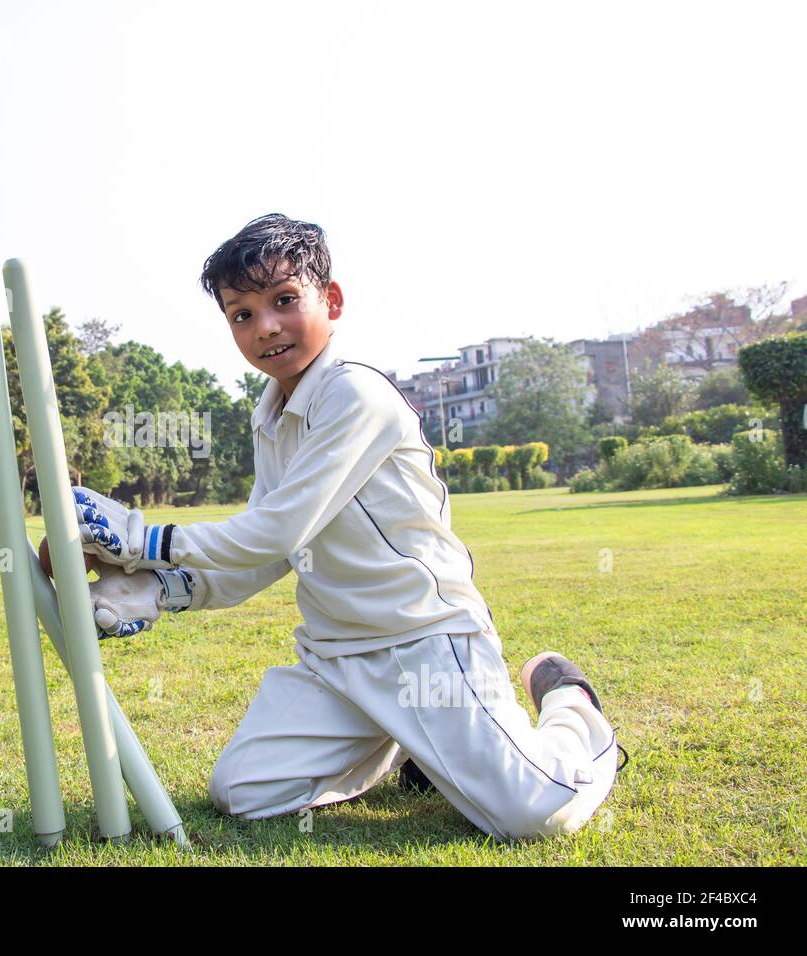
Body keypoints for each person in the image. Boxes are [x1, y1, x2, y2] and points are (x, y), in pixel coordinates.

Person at [74, 213, 625, 840]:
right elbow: (267, 558)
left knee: (536, 812)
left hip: (425, 642)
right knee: (244, 792)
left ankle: (572, 705)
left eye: (284, 301)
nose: (266, 327)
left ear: (331, 300)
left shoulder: (355, 395)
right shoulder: (271, 415)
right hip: (336, 658)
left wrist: (142, 538)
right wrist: (157, 589)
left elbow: (275, 531)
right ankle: (412, 744)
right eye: (242, 314)